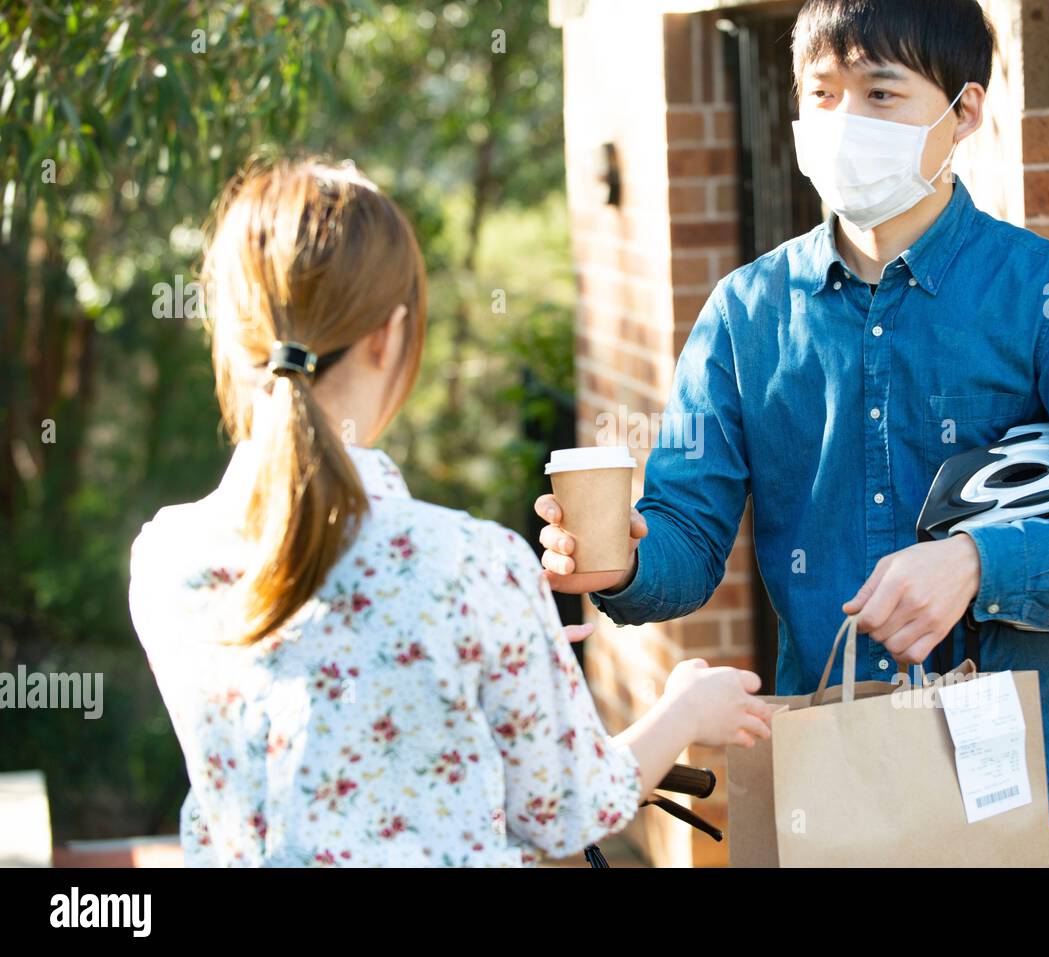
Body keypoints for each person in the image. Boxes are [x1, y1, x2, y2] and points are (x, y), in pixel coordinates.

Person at [536, 0, 1049, 868]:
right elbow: (687, 543)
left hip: (1029, 781)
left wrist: (978, 566)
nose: (845, 122)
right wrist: (620, 565)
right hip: (832, 779)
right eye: (823, 93)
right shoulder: (744, 314)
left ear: (964, 112)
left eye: (881, 95)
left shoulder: (1047, 293)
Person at [128, 156, 773, 867]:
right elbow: (568, 810)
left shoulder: (163, 557)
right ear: (389, 334)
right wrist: (686, 707)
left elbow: (317, 730)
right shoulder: (472, 568)